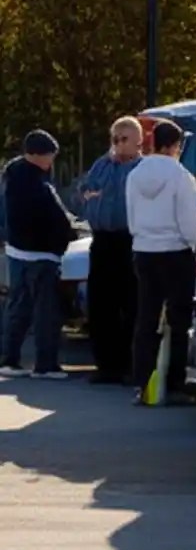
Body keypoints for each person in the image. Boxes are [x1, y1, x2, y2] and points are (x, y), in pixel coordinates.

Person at [127, 119, 196, 405]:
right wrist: (195, 244)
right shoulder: (181, 176)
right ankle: (174, 383)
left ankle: (142, 382)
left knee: (146, 316)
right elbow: (188, 222)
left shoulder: (135, 175)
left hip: (144, 249)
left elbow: (132, 216)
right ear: (175, 146)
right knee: (178, 319)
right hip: (175, 251)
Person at [0, 130, 77, 379]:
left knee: (18, 308)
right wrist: (68, 234)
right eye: (49, 156)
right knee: (46, 313)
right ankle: (45, 365)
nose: (51, 161)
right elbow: (53, 215)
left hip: (17, 251)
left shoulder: (13, 176)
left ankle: (9, 359)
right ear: (36, 155)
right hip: (41, 254)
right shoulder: (36, 183)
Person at [82, 116, 144, 384]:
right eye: (114, 139)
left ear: (139, 141)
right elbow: (84, 190)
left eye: (124, 139)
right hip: (103, 241)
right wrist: (87, 197)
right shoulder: (101, 166)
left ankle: (130, 366)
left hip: (130, 241)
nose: (118, 144)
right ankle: (106, 366)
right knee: (101, 305)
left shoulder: (143, 169)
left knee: (132, 304)